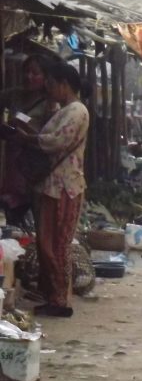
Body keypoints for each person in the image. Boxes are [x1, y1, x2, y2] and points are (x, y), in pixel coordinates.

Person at [16, 61, 89, 317]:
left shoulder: (77, 110)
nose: (48, 88)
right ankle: (54, 297)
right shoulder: (65, 109)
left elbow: (57, 141)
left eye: (51, 83)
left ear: (63, 84)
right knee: (48, 242)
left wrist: (29, 138)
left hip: (64, 186)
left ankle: (60, 300)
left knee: (56, 244)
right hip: (55, 185)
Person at [0, 54, 54, 225]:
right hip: (11, 162)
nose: (29, 76)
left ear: (46, 77)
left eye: (35, 73)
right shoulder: (14, 95)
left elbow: (50, 137)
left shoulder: (50, 104)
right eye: (27, 71)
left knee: (29, 212)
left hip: (33, 167)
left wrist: (27, 130)